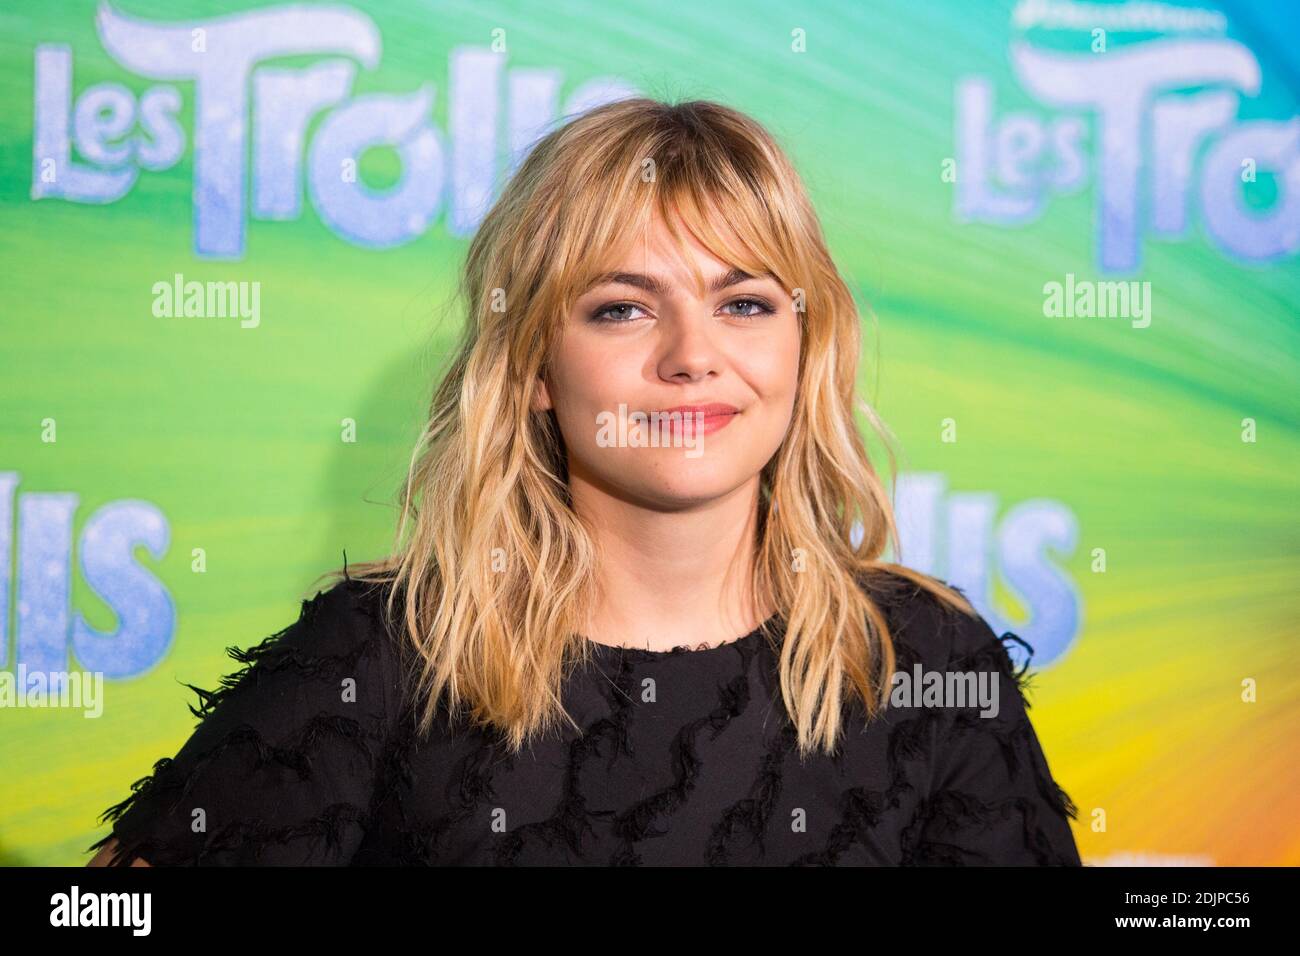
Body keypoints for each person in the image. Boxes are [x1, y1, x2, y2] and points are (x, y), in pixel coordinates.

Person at [87, 97, 1081, 866]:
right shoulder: (386, 653)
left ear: (804, 346)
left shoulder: (921, 661)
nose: (694, 355)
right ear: (529, 370)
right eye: (620, 308)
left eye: (742, 303)